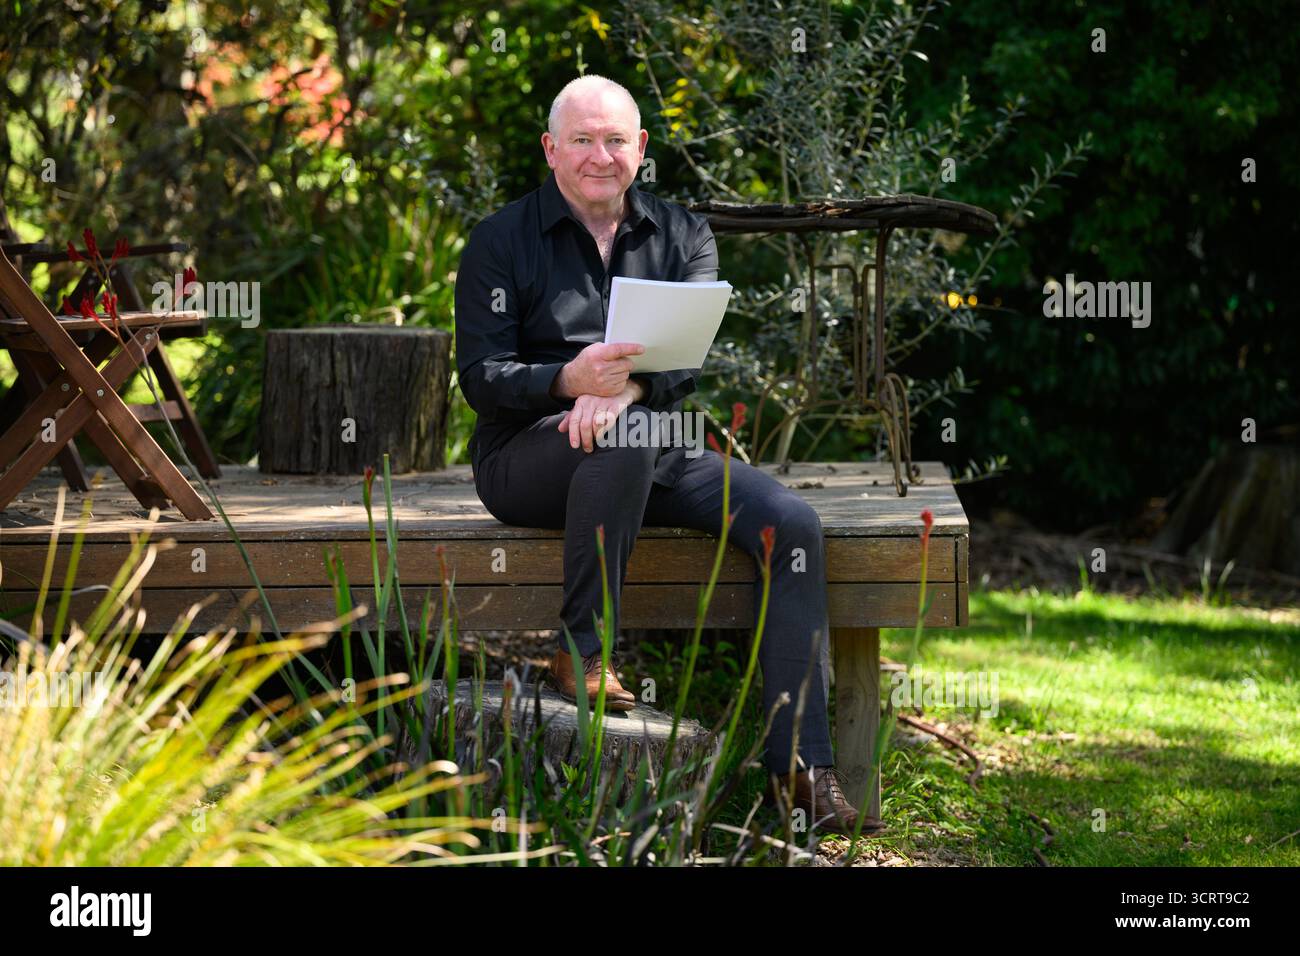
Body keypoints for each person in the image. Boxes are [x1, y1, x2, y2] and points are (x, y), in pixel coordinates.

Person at [453, 74, 883, 835]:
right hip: (526, 454)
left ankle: (800, 766)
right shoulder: (499, 239)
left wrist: (623, 395)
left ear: (640, 148)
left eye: (616, 139)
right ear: (551, 149)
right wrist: (565, 379)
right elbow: (482, 377)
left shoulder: (684, 233)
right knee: (620, 441)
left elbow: (685, 361)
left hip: (651, 437)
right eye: (582, 139)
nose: (599, 155)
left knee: (795, 525)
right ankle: (583, 652)